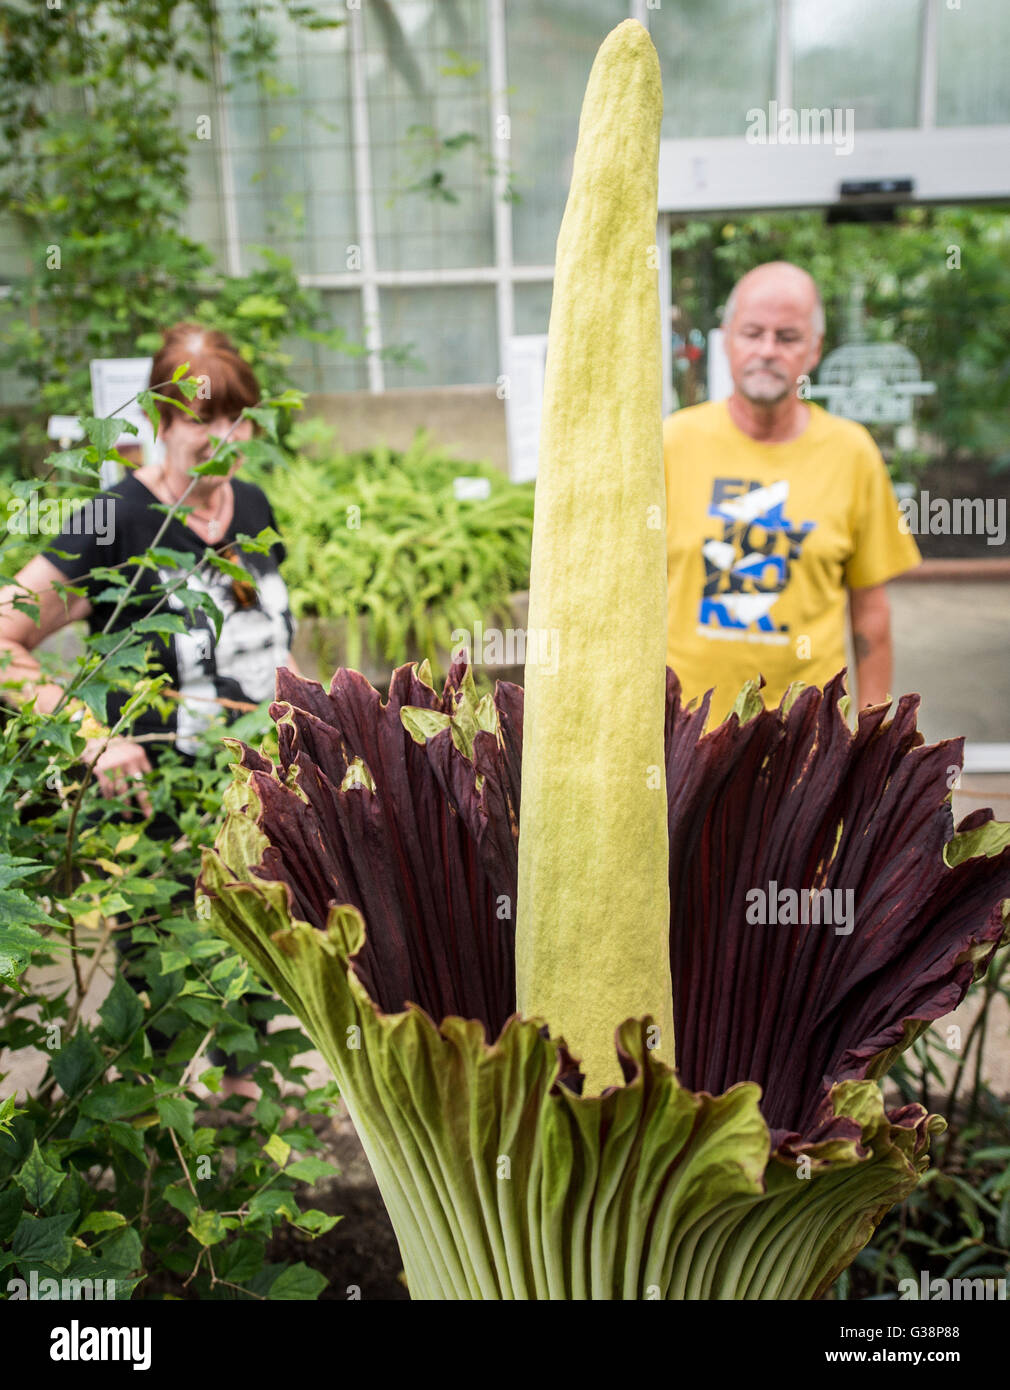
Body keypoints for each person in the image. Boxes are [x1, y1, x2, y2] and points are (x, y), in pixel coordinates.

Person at [0, 322, 299, 1098]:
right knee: (161, 1015)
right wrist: (91, 738)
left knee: (256, 990)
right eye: (201, 417)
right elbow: (5, 637)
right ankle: (160, 1153)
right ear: (160, 422)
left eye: (235, 418)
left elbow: (257, 624)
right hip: (158, 823)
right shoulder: (118, 522)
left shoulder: (253, 503)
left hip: (255, 805)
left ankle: (247, 1145)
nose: (221, 435)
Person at [664, 261, 921, 726]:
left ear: (814, 349)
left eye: (787, 337)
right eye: (752, 332)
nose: (767, 350)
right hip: (682, 736)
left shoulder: (851, 451)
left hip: (807, 738)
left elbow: (870, 615)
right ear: (726, 339)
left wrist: (870, 743)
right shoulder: (669, 444)